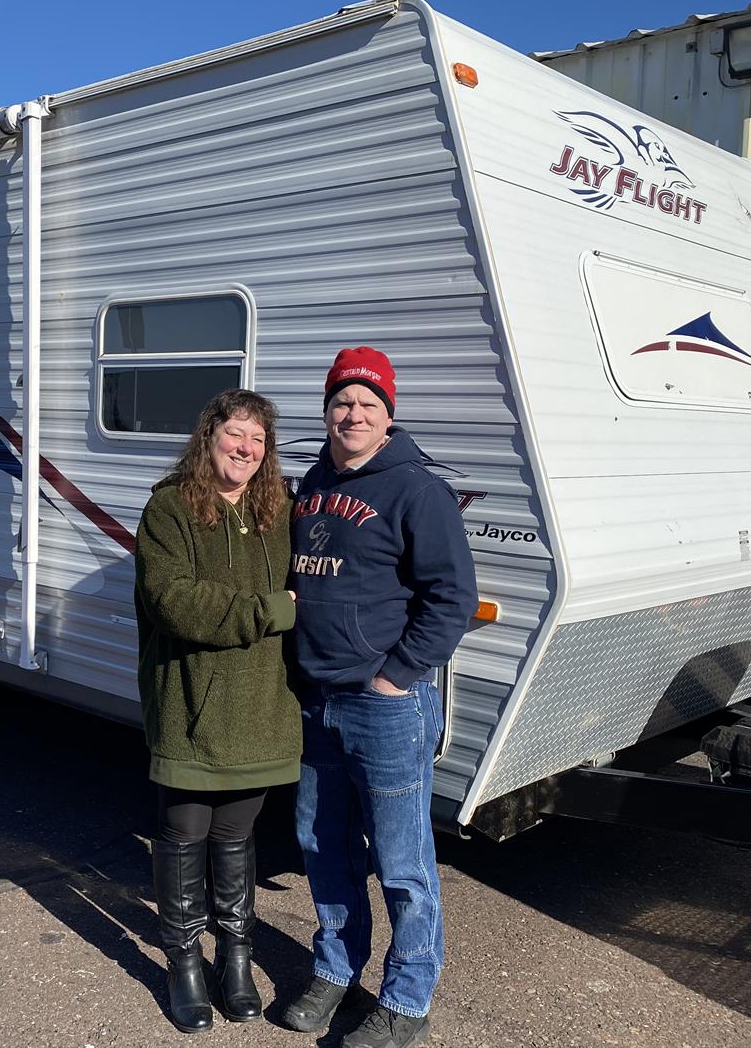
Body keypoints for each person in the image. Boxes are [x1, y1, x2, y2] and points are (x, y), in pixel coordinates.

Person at [284, 347, 479, 1048]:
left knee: (402, 860)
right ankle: (336, 968)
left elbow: (452, 596)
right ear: (327, 411)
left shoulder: (416, 490)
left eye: (367, 403)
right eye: (342, 401)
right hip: (318, 701)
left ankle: (406, 999)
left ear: (388, 415)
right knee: (322, 843)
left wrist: (397, 674)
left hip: (385, 705)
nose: (352, 413)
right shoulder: (311, 483)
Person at [134, 388, 301, 1034]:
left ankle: (235, 958)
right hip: (190, 707)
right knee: (182, 836)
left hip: (261, 707)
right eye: (236, 432)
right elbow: (174, 600)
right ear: (210, 436)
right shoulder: (170, 508)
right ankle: (183, 964)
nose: (247, 448)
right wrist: (272, 610)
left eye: (259, 439)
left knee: (236, 838)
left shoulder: (277, 512)